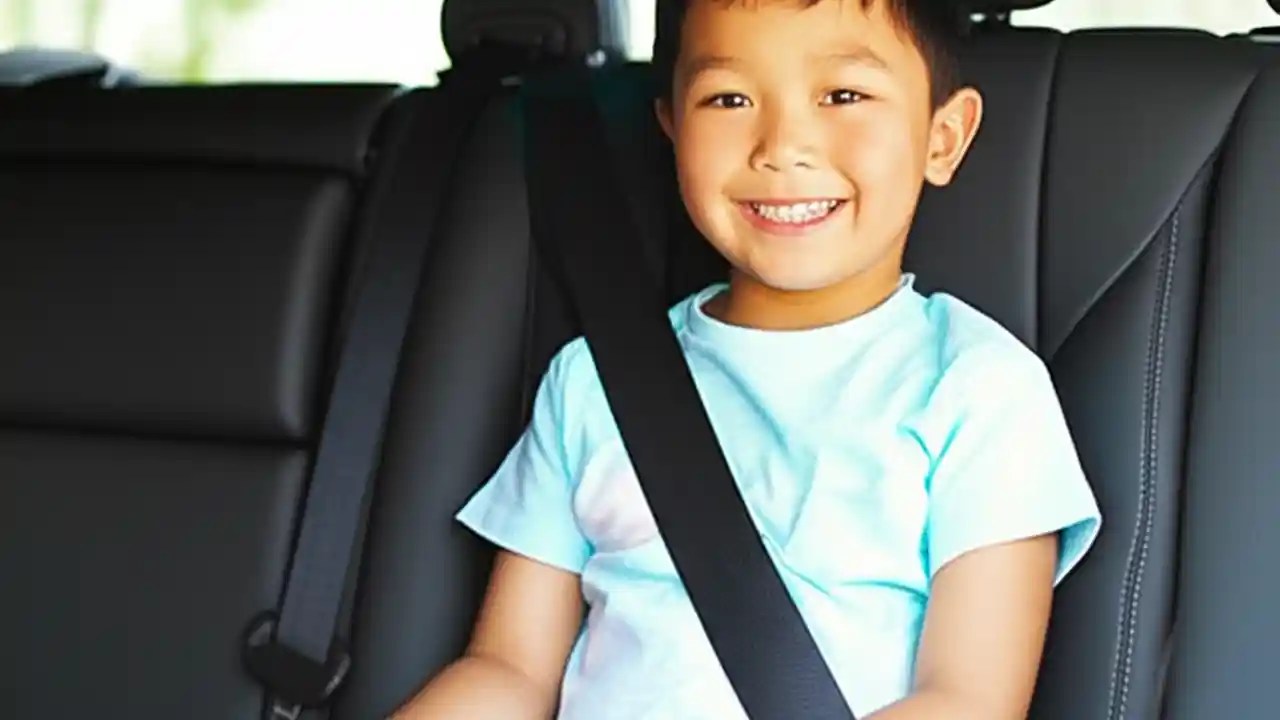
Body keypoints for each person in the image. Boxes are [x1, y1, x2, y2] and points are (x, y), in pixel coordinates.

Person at [394, 0, 1101, 717]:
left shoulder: (980, 390)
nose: (781, 146)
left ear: (942, 139)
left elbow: (968, 701)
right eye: (728, 98)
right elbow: (510, 669)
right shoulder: (594, 382)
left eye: (843, 95)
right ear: (672, 129)